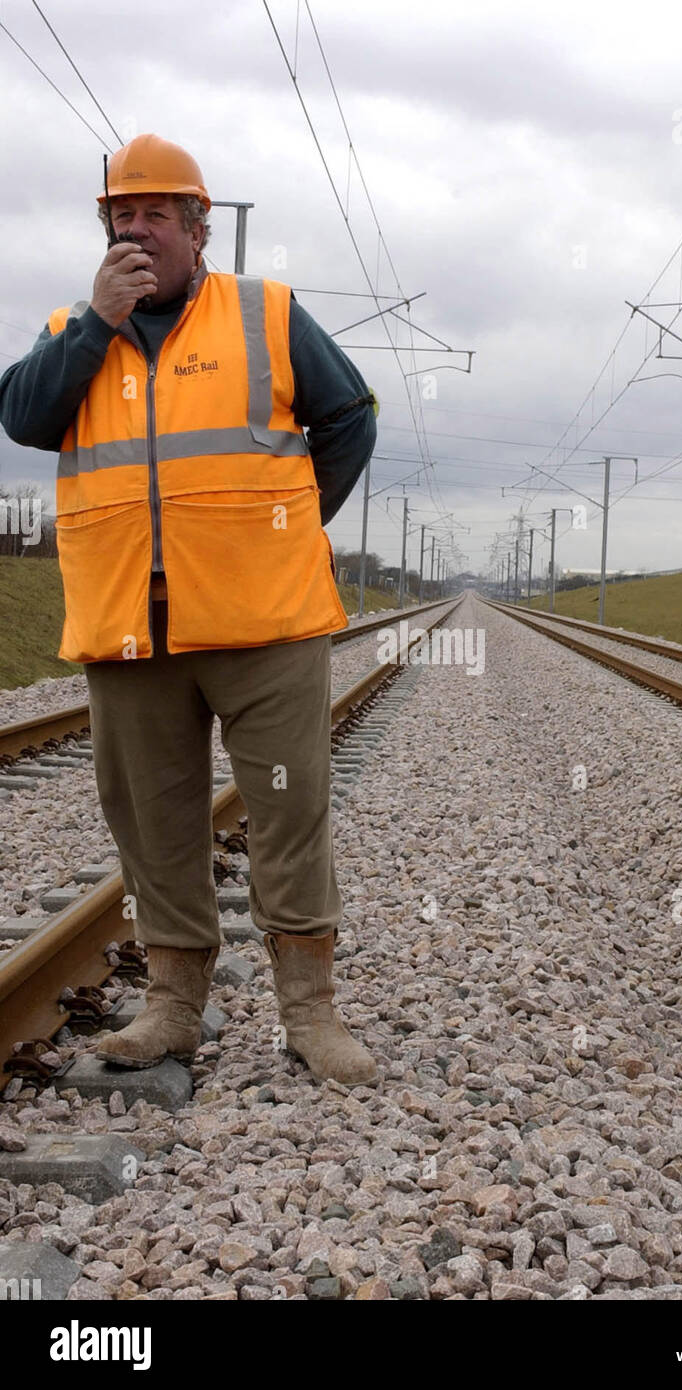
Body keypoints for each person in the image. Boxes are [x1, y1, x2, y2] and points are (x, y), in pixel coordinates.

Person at [0, 134, 379, 1086]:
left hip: (264, 621)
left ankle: (311, 1013)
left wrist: (290, 526)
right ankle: (171, 1008)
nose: (137, 231)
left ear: (198, 230)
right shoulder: (76, 328)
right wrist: (95, 321)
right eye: (122, 217)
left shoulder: (265, 315)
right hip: (130, 625)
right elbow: (23, 419)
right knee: (153, 820)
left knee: (288, 811)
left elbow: (349, 416)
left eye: (157, 216)